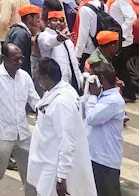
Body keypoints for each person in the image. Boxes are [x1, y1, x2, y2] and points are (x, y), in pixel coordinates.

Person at [27, 58, 95, 196]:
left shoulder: (62, 103)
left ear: (46, 77)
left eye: (38, 76)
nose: (37, 79)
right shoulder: (58, 90)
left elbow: (67, 141)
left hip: (54, 168)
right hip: (47, 161)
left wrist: (61, 177)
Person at [0, 43, 38, 195]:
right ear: (4, 58)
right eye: (15, 59)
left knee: (31, 175)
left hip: (23, 134)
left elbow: (34, 100)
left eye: (21, 59)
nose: (19, 62)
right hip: (2, 135)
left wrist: (44, 110)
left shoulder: (24, 77)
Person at [84, 61, 126, 196]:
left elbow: (91, 118)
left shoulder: (113, 100)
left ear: (100, 80)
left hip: (105, 162)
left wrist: (92, 95)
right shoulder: (101, 97)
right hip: (93, 156)